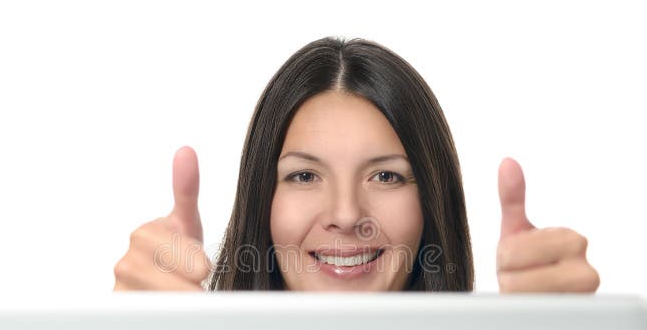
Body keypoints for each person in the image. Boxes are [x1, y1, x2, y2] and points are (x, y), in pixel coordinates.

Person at [113, 37, 600, 293]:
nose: (346, 216)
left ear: (431, 202)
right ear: (263, 202)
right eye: (304, 176)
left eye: (385, 176)